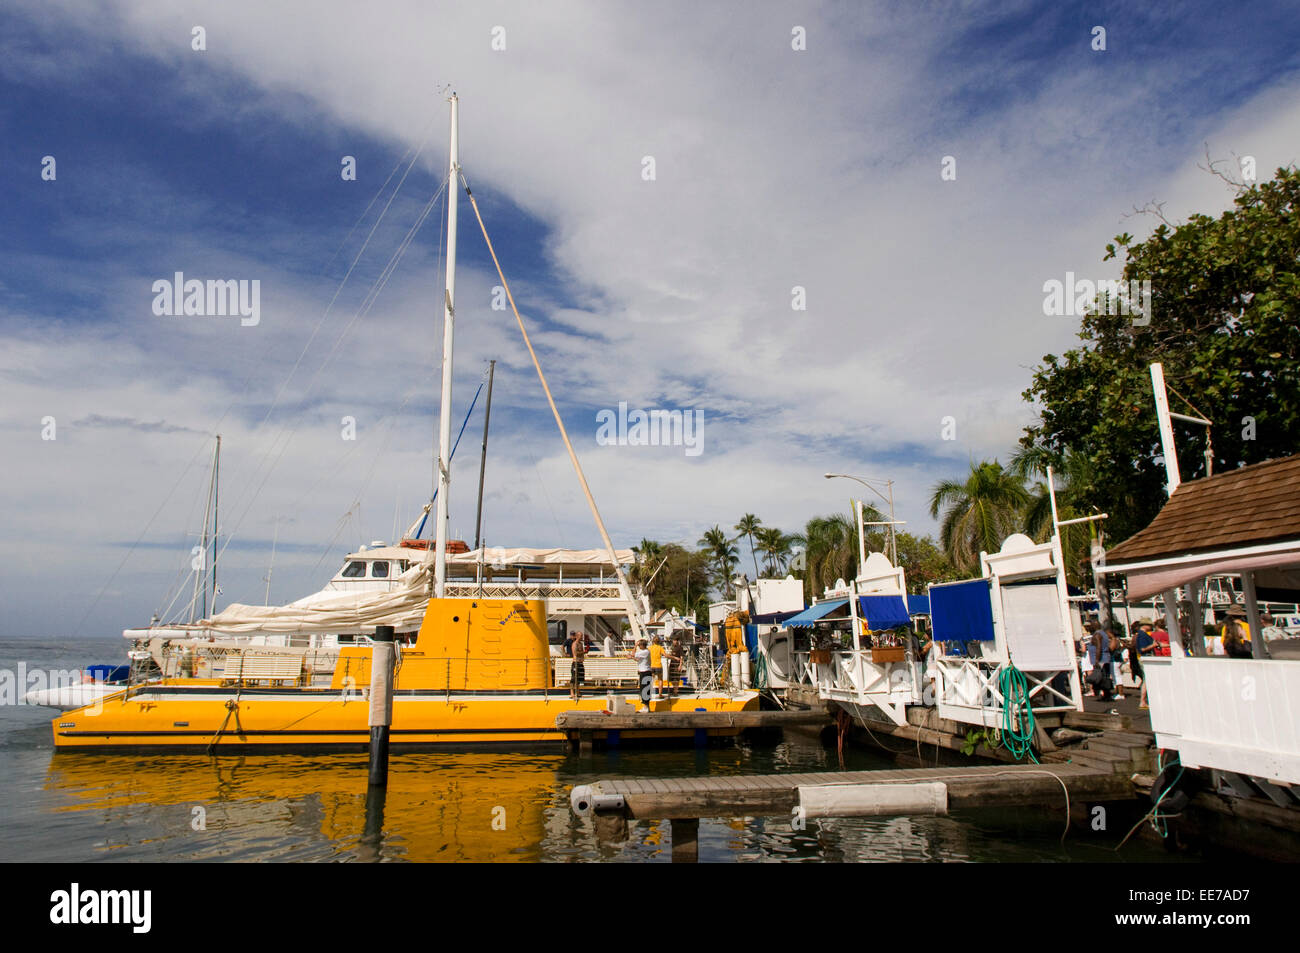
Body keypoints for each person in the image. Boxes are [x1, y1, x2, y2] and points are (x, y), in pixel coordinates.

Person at [1133, 621, 1156, 709]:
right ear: (1145, 625)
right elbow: (1142, 649)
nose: (1151, 627)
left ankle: (1144, 701)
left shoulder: (1141, 634)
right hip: (1146, 658)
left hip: (1144, 658)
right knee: (1146, 680)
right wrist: (1154, 645)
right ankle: (1142, 701)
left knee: (1146, 680)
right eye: (1150, 625)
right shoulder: (1142, 635)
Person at [634, 639, 653, 711]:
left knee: (645, 690)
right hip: (644, 672)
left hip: (645, 672)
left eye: (639, 645)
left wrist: (635, 646)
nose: (638, 647)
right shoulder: (644, 652)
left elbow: (633, 654)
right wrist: (632, 658)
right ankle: (646, 706)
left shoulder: (645, 652)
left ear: (642, 645)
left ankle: (646, 707)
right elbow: (638, 659)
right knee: (644, 690)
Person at [570, 628, 588, 701]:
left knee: (579, 679)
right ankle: (572, 693)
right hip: (576, 663)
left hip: (580, 663)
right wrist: (584, 652)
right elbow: (575, 653)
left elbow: (581, 653)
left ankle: (578, 692)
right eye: (581, 636)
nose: (582, 637)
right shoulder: (575, 644)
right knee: (574, 679)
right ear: (577, 636)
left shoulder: (581, 644)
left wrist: (584, 653)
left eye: (582, 636)